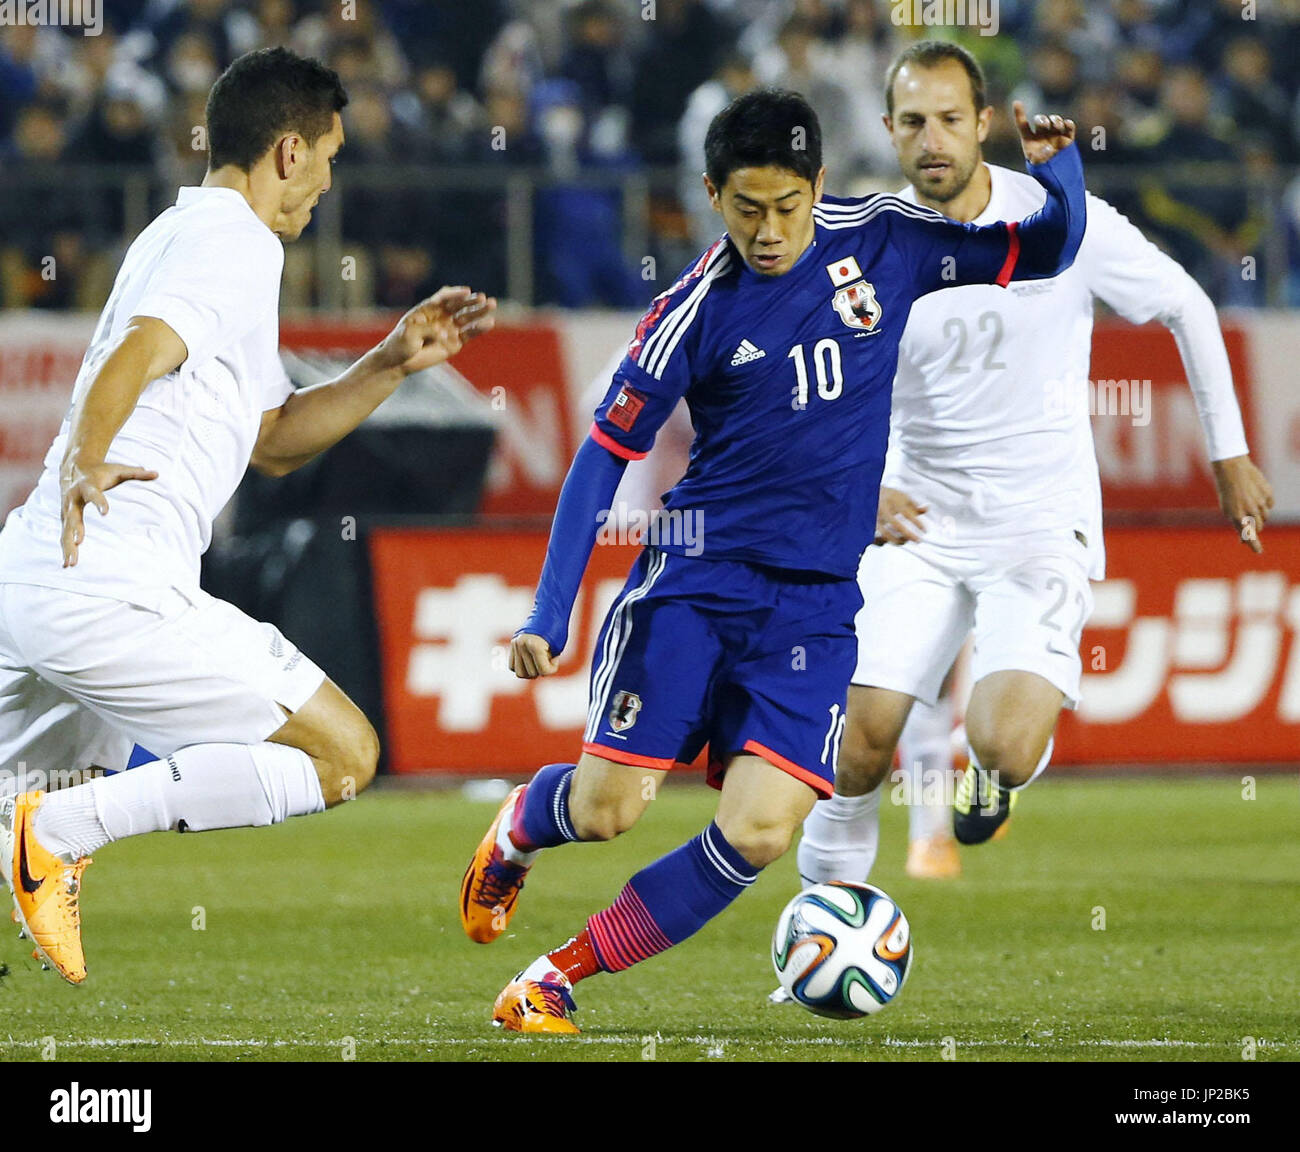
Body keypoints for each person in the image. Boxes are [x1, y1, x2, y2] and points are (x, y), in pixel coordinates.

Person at [459, 85, 1087, 1034]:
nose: (767, 230)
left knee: (757, 831)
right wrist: (550, 611)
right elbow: (601, 460)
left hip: (816, 612)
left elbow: (1041, 249)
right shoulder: (694, 310)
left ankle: (555, 977)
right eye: (746, 207)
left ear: (819, 185)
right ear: (712, 194)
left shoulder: (887, 241)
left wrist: (1057, 174)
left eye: (787, 207)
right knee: (605, 812)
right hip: (697, 587)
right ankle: (517, 829)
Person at [0, 46, 494, 984]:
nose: (330, 179)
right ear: (288, 152)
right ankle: (57, 838)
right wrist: (90, 459)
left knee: (29, 792)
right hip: (111, 576)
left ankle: (42, 826)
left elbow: (271, 439)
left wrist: (387, 363)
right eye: (332, 155)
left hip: (34, 575)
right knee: (342, 755)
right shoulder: (236, 244)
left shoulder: (182, 235)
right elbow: (140, 351)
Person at [793, 40, 1272, 904]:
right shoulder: (864, 250)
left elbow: (1186, 304)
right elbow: (819, 400)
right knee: (856, 740)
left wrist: (1229, 453)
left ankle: (999, 780)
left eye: (948, 119)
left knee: (1001, 743)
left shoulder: (1060, 219)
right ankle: (825, 923)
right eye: (912, 123)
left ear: (982, 124)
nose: (932, 139)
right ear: (890, 131)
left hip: (1038, 525)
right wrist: (857, 491)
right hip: (917, 521)